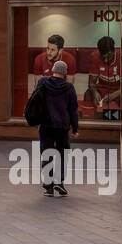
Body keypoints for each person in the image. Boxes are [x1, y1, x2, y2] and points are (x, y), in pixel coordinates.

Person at [36, 59, 79, 196]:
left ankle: (48, 186)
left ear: (53, 70)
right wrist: (75, 128)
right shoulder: (69, 88)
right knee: (62, 154)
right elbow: (73, 109)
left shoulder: (43, 83)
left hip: (46, 125)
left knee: (47, 154)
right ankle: (59, 183)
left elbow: (36, 101)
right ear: (65, 73)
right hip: (62, 126)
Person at [90, 35, 121, 121]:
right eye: (103, 57)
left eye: (109, 56)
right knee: (88, 95)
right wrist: (95, 92)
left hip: (117, 91)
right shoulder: (94, 56)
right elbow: (92, 83)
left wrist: (115, 94)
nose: (106, 60)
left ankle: (111, 120)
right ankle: (96, 120)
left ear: (114, 51)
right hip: (102, 89)